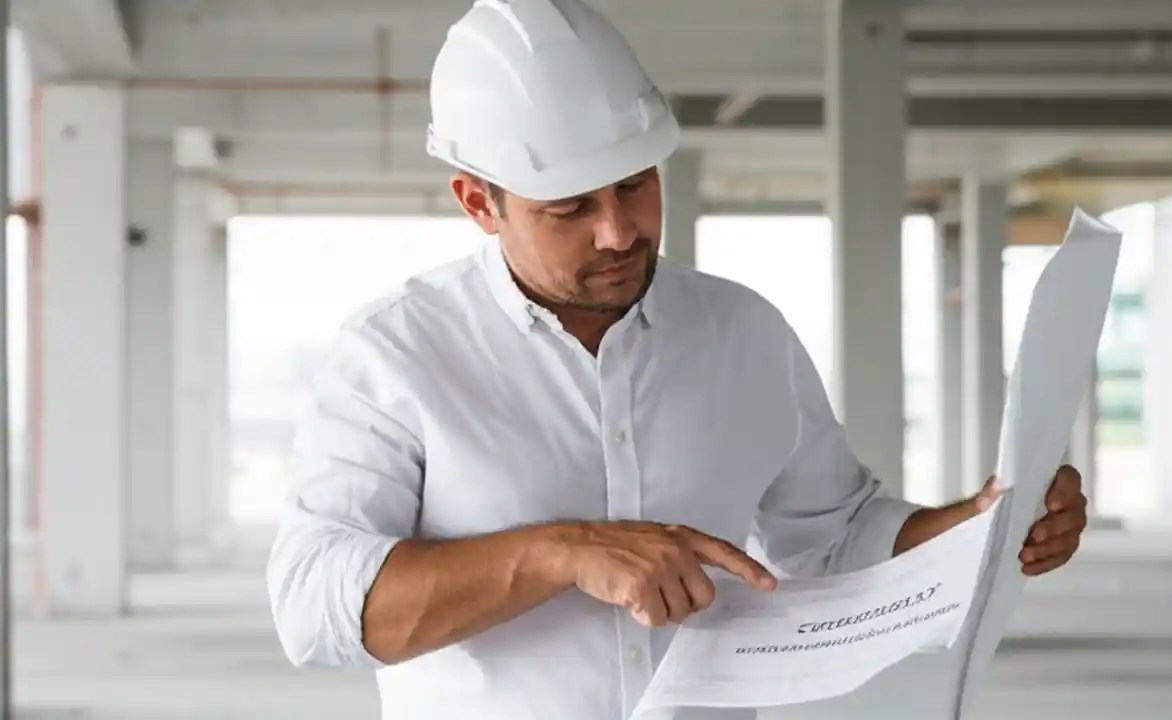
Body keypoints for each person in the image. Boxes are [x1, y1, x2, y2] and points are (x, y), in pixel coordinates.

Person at [265, 1, 1088, 718]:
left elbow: (835, 536)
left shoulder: (744, 333)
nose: (619, 231)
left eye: (634, 185)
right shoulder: (395, 356)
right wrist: (562, 551)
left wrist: (980, 525)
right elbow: (314, 610)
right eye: (571, 208)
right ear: (480, 202)